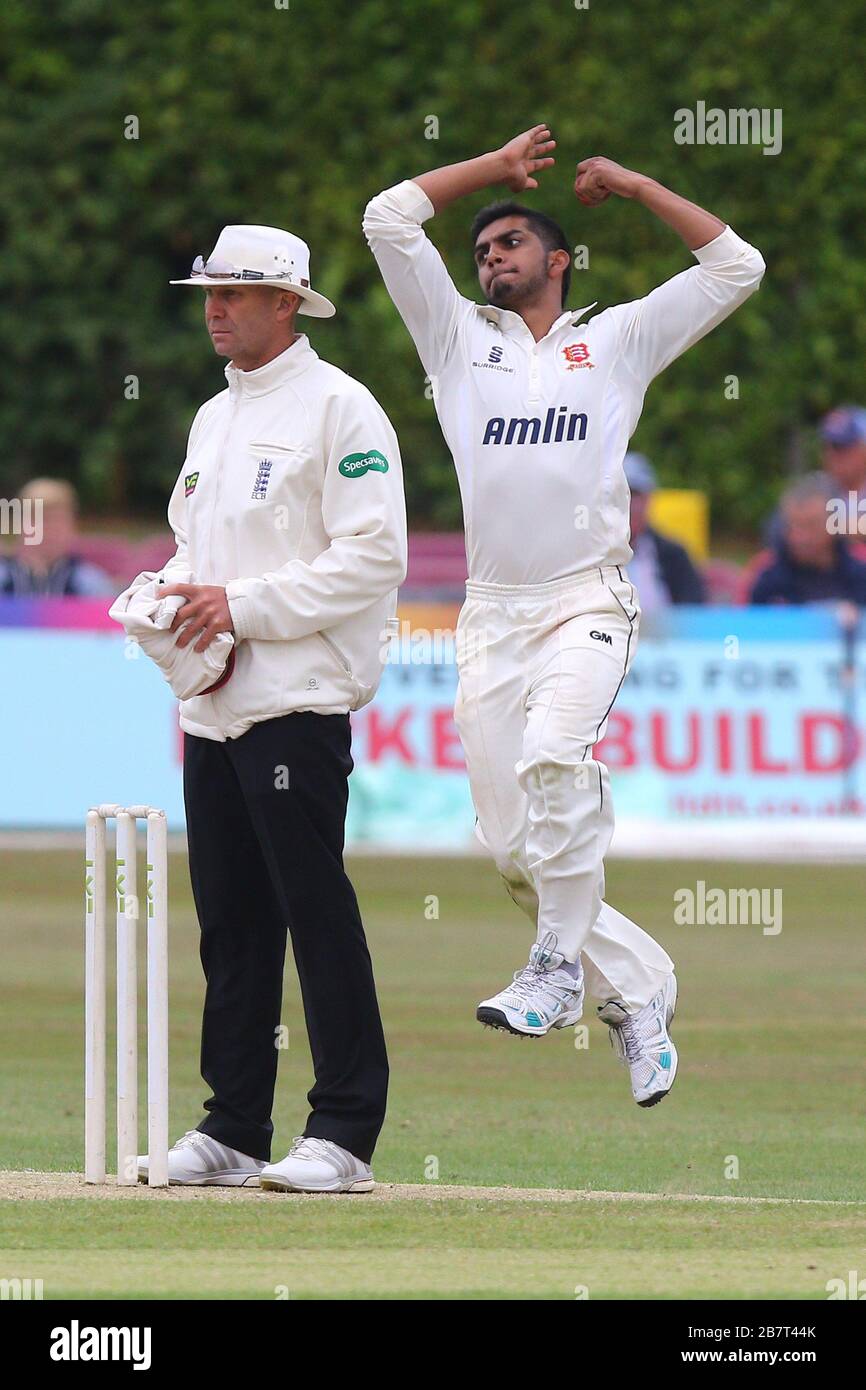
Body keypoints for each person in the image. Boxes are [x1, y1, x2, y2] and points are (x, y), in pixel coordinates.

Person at [364, 125, 764, 1107]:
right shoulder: (455, 340)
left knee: (555, 759)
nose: (489, 256)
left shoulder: (616, 338)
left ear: (557, 258)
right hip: (492, 613)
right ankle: (637, 989)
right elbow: (387, 216)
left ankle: (549, 970)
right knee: (511, 849)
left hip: (588, 593)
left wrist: (631, 185)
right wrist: (489, 172)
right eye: (480, 250)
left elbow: (735, 264)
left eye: (507, 242)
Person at [137, 223, 407, 1192]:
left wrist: (242, 605)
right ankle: (234, 1123)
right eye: (208, 291)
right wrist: (166, 592)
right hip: (212, 701)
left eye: (237, 292)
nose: (215, 306)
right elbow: (191, 542)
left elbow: (373, 556)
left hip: (296, 698)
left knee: (312, 910)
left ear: (287, 301)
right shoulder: (214, 417)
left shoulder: (341, 408)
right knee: (232, 920)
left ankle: (343, 1130)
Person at [749, 473, 866, 605]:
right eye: (793, 526)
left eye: (810, 525)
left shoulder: (860, 579)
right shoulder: (769, 583)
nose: (800, 537)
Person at [0, 478, 114, 596]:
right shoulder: (3, 578)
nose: (50, 530)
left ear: (72, 526)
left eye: (59, 521)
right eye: (42, 520)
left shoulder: (90, 582)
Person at [624, 452, 706, 615]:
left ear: (649, 499)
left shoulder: (673, 555)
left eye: (634, 494)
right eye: (619, 494)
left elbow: (694, 613)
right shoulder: (587, 558)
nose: (628, 504)